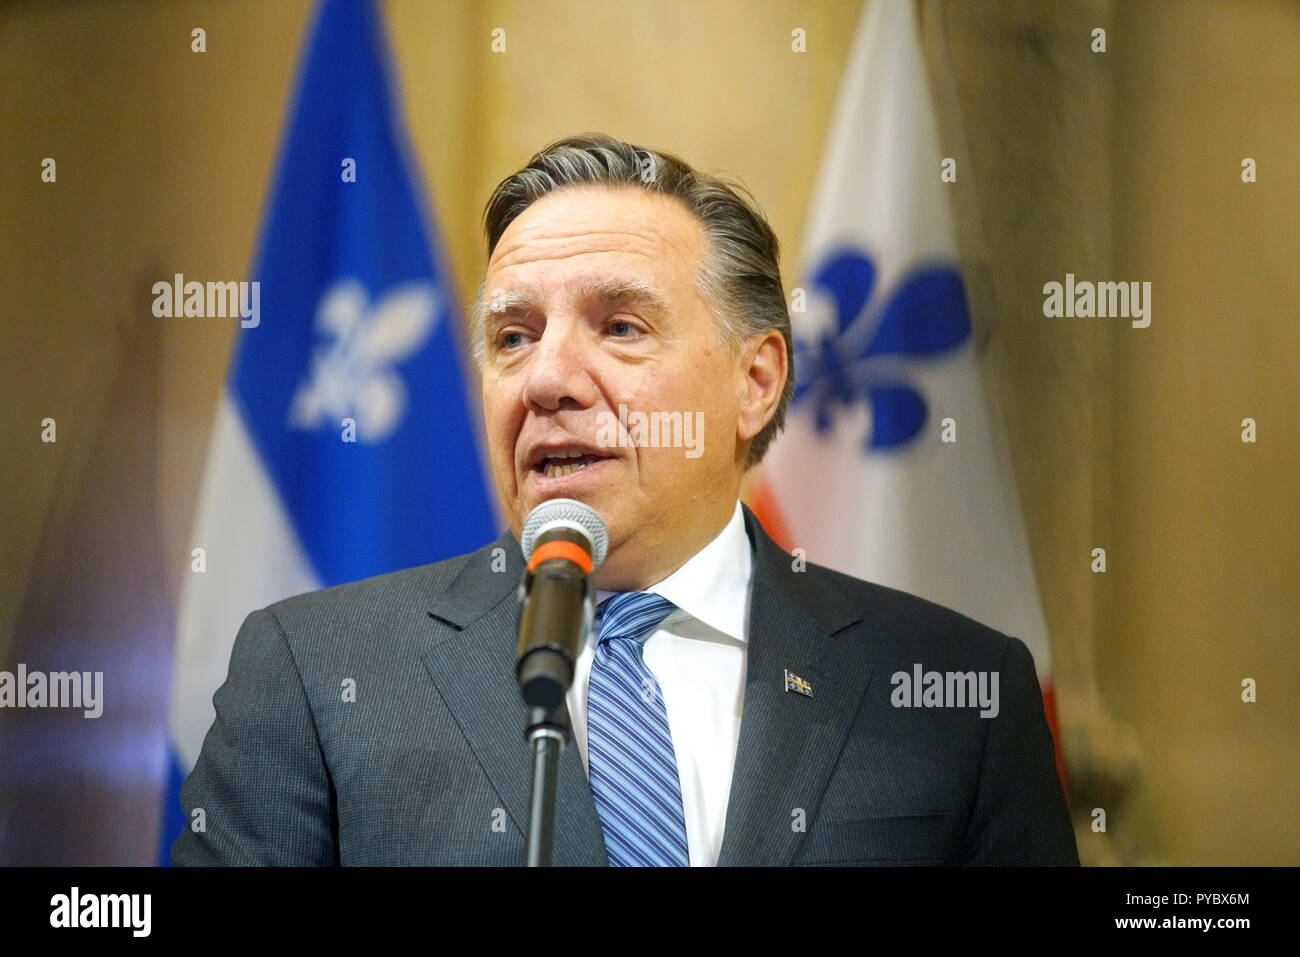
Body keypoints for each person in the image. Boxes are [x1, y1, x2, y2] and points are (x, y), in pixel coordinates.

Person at [172, 134, 1077, 866]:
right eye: (513, 335)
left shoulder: (958, 689)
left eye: (620, 326)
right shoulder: (312, 672)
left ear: (755, 380)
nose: (549, 378)